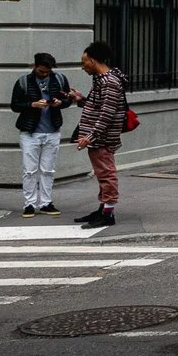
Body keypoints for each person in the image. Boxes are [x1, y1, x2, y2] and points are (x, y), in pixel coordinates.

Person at [8, 51, 76, 217]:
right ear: (34, 66)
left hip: (52, 130)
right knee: (29, 170)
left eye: (47, 72)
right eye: (41, 71)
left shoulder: (59, 79)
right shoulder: (23, 82)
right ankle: (29, 204)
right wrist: (32, 104)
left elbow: (68, 99)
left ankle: (45, 202)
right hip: (30, 132)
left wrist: (61, 102)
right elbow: (14, 105)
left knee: (48, 170)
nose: (44, 74)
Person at [70, 40, 129, 228]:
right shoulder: (101, 80)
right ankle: (103, 209)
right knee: (102, 173)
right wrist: (81, 100)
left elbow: (107, 113)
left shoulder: (109, 82)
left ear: (94, 61)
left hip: (103, 138)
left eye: (84, 62)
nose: (82, 66)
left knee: (106, 173)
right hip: (98, 137)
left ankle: (108, 214)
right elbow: (99, 106)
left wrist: (90, 136)